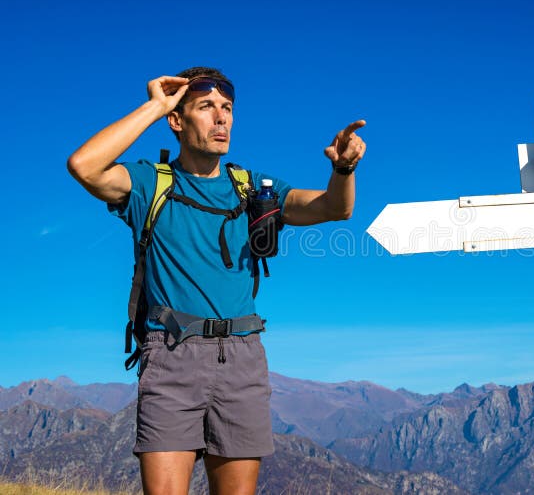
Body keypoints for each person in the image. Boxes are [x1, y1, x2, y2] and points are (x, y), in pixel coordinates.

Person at [67, 67, 366, 495]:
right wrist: (155, 106)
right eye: (206, 107)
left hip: (242, 358)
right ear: (177, 120)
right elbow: (84, 166)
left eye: (227, 108)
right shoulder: (151, 183)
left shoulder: (254, 190)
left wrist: (344, 169)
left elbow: (334, 208)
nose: (221, 117)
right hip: (171, 355)